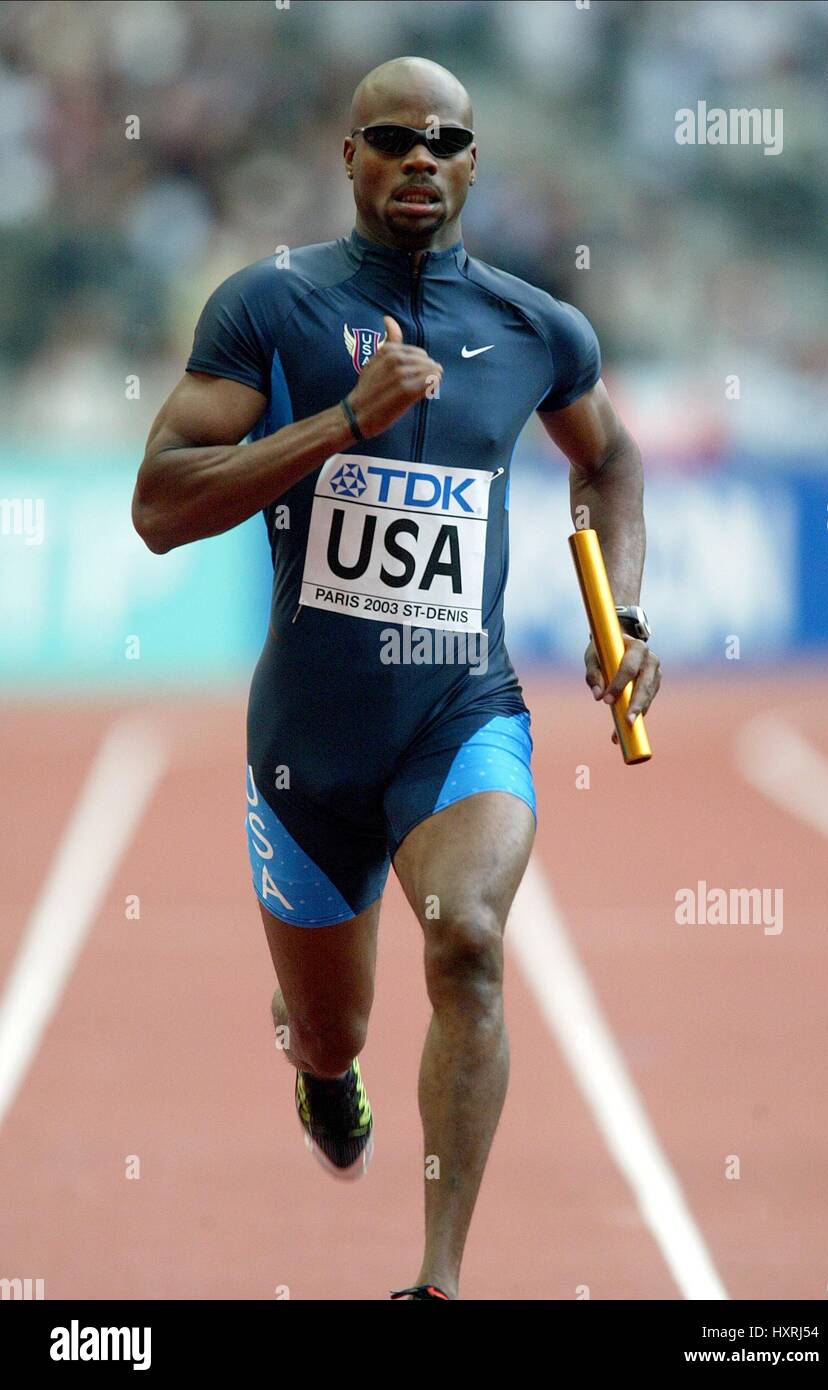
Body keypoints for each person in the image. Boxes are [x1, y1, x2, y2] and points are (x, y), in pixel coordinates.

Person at [132, 55, 661, 1302]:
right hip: (305, 746)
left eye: (445, 140)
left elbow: (612, 458)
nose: (419, 158)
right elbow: (158, 505)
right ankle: (318, 1065)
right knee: (333, 1030)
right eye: (391, 138)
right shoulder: (269, 307)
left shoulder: (539, 328)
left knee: (467, 941)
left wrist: (618, 606)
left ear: (475, 162)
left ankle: (434, 1283)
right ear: (349, 157)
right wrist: (338, 426)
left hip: (458, 712)